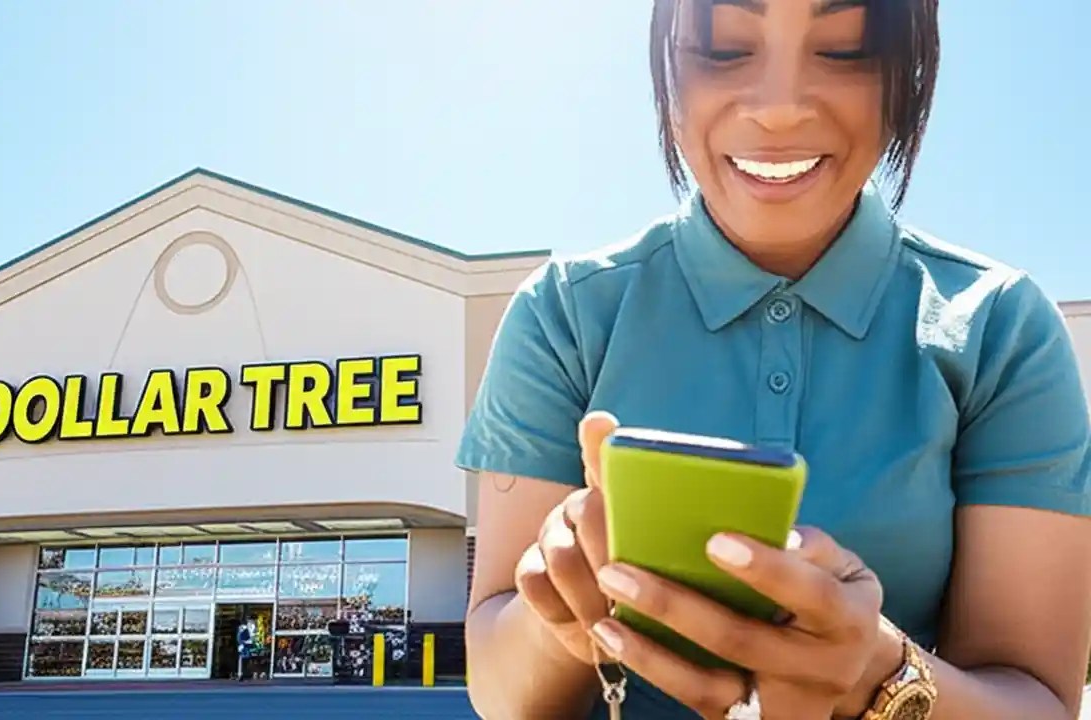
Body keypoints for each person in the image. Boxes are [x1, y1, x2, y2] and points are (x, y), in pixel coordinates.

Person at [457, 1, 1091, 719]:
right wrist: (563, 613)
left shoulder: (1001, 328)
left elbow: (1039, 700)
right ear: (665, 74)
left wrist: (879, 675)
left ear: (908, 74)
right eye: (726, 48)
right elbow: (498, 686)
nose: (781, 108)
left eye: (846, 49)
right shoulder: (562, 315)